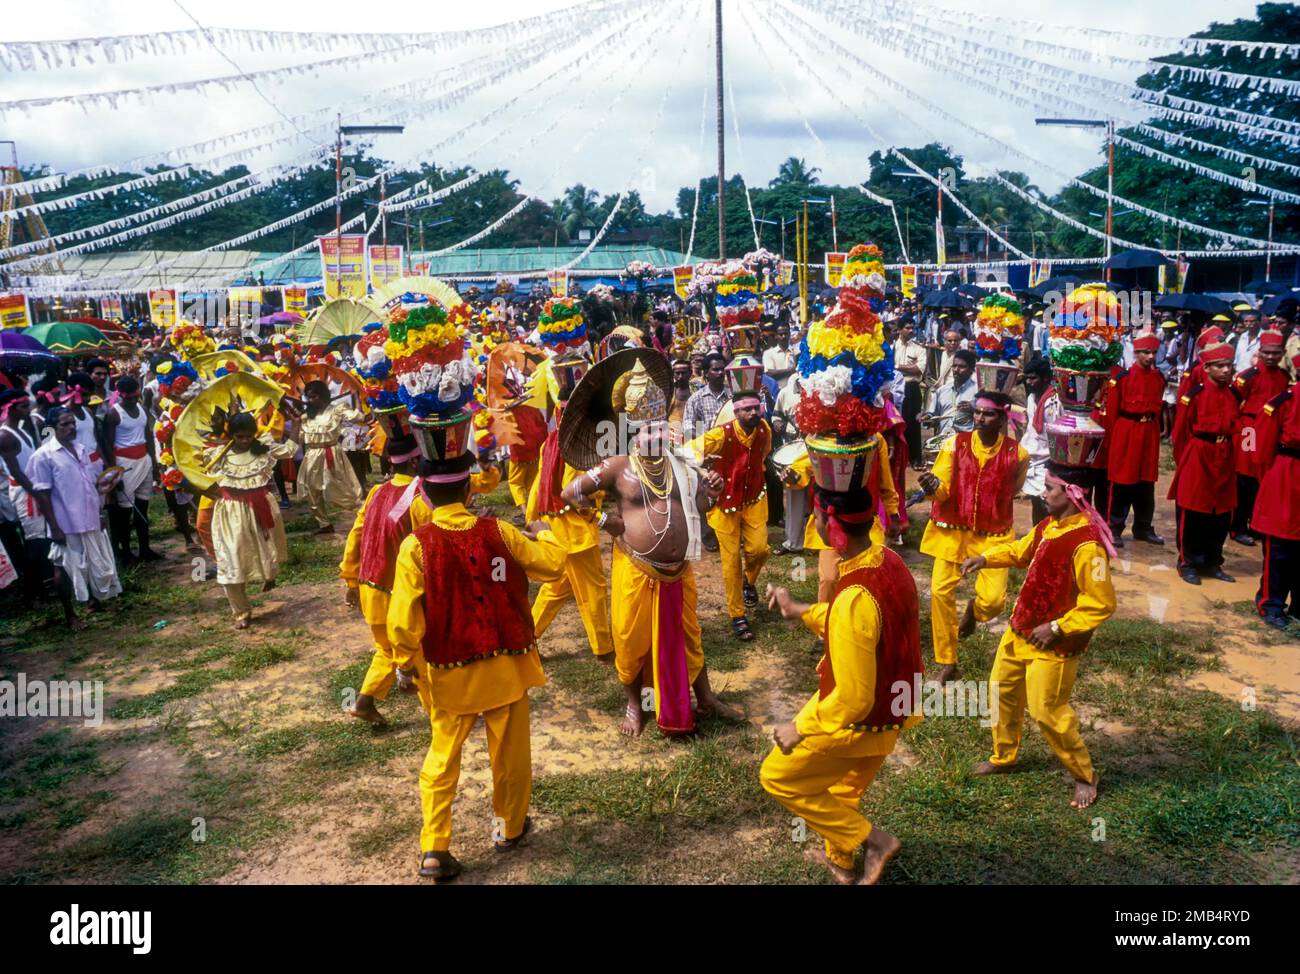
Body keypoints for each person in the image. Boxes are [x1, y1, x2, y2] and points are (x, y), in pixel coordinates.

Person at [386, 446, 567, 881]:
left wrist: (404, 665)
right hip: (506, 666)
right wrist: (544, 532)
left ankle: (435, 847)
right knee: (509, 754)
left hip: (451, 673)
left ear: (424, 497)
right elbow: (553, 566)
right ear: (469, 490)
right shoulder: (500, 531)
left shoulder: (416, 546)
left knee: (442, 757)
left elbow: (403, 622)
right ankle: (509, 829)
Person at [563, 354, 737, 737]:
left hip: (679, 572)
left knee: (690, 635)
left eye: (662, 428)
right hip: (637, 567)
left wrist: (711, 495)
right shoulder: (616, 466)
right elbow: (569, 491)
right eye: (648, 430)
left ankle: (704, 698)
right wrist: (602, 519)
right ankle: (635, 705)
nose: (658, 436)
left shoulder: (680, 462)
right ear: (632, 432)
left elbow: (696, 507)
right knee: (629, 638)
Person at [761, 481, 923, 885]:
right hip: (893, 716)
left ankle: (873, 841)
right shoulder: (888, 560)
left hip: (857, 723)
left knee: (778, 777)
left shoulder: (855, 597)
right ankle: (843, 864)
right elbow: (854, 620)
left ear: (833, 530)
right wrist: (799, 610)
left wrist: (800, 728)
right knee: (844, 790)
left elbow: (852, 697)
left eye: (817, 516)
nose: (814, 523)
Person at [963, 463, 1115, 810]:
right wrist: (985, 559)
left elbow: (1101, 603)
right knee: (1000, 692)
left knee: (1047, 712)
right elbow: (1020, 552)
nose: (1042, 494)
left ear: (1074, 493)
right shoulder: (1049, 525)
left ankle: (1084, 774)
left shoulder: (1088, 545)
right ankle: (1004, 756)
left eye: (1049, 488)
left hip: (1055, 645)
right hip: (1021, 630)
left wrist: (1058, 626)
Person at [918, 391, 1028, 684]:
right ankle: (947, 661)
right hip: (952, 533)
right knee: (940, 593)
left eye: (988, 414)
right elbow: (941, 489)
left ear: (1003, 418)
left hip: (994, 536)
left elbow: (1012, 490)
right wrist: (932, 486)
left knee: (993, 602)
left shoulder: (1018, 454)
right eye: (977, 412)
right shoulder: (954, 445)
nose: (980, 418)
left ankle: (973, 612)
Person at [339, 434, 429, 724]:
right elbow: (425, 547)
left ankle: (363, 702)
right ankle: (439, 712)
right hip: (397, 592)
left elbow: (356, 534)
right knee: (418, 650)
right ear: (417, 460)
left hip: (369, 586)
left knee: (386, 649)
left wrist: (351, 579)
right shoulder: (420, 496)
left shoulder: (376, 491)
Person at [527, 377, 614, 663]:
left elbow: (539, 483)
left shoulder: (551, 440)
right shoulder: (578, 446)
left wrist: (532, 518)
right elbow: (574, 492)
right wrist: (601, 510)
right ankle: (603, 647)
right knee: (593, 589)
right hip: (575, 528)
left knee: (557, 586)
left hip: (555, 526)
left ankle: (526, 637)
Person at [687, 385, 772, 641]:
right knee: (731, 560)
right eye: (747, 409)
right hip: (726, 505)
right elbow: (688, 453)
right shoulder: (719, 435)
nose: (753, 413)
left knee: (759, 549)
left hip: (755, 498)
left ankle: (749, 581)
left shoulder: (764, 430)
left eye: (756, 408)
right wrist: (705, 471)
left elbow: (763, 454)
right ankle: (738, 615)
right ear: (735, 412)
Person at [26, 406, 122, 629]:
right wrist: (54, 527)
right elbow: (42, 494)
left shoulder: (80, 449)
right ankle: (70, 616)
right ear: (52, 428)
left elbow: (90, 485)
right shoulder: (43, 456)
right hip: (65, 521)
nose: (70, 428)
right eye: (64, 424)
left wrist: (99, 512)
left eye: (72, 423)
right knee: (64, 567)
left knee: (89, 561)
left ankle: (94, 601)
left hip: (88, 515)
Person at [206, 412, 299, 629]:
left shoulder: (264, 448)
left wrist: (296, 424)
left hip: (261, 506)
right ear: (232, 435)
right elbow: (195, 473)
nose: (245, 441)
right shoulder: (219, 453)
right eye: (240, 437)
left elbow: (290, 450)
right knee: (231, 558)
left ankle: (268, 575)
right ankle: (241, 612)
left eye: (249, 436)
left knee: (266, 550)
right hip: (231, 512)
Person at [1169, 340, 1239, 585]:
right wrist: (1185, 461)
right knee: (1193, 511)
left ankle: (1212, 561)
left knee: (1220, 513)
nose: (1226, 370)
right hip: (1199, 454)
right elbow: (1179, 433)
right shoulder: (1193, 396)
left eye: (1229, 366)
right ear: (1206, 367)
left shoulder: (1234, 395)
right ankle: (1187, 562)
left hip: (1225, 455)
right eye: (1219, 366)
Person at [1096, 332, 1166, 546]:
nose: (1150, 357)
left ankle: (1144, 527)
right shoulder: (1122, 379)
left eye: (1153, 352)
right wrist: (1110, 444)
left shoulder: (1159, 378)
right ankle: (1114, 527)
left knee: (1146, 483)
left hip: (1149, 433)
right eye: (1146, 352)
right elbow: (1112, 414)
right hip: (1126, 432)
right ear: (1136, 353)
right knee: (1123, 482)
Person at [1251, 356, 1300, 632]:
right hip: (1286, 475)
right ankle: (1271, 603)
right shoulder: (1281, 403)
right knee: (1280, 548)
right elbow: (1259, 451)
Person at [1230, 331, 1288, 546]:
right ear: (1259, 353)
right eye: (1267, 353)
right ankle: (1237, 527)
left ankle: (1256, 524)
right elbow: (1233, 405)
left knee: (1264, 479)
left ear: (1282, 353)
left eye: (1275, 353)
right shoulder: (1247, 377)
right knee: (1245, 477)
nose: (1271, 357)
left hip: (1271, 433)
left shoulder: (1284, 377)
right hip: (1250, 430)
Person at [101, 376, 162, 563]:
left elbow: (149, 438)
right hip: (124, 463)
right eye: (129, 398)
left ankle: (145, 548)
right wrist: (114, 474)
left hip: (144, 459)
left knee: (142, 507)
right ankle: (126, 551)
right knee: (125, 510)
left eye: (135, 397)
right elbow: (108, 445)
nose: (133, 401)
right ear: (120, 396)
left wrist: (154, 464)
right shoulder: (113, 414)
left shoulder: (143, 410)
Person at [0, 389, 51, 606]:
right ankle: (33, 590)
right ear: (10, 409)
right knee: (34, 541)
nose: (27, 409)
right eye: (23, 406)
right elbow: (17, 472)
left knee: (40, 539)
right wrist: (36, 493)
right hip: (26, 491)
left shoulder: (21, 429)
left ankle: (41, 585)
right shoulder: (5, 436)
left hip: (33, 486)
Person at [297, 380, 367, 534]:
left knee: (342, 487)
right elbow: (301, 438)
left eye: (313, 396)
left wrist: (356, 398)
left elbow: (358, 417)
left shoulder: (338, 410)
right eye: (308, 397)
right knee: (313, 490)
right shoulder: (306, 416)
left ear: (323, 396)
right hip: (312, 456)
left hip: (332, 453)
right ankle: (324, 524)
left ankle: (364, 516)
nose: (310, 400)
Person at [1019, 357, 1058, 525]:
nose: (1029, 382)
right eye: (1027, 378)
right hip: (1032, 456)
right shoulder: (1031, 398)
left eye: (1033, 378)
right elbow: (1030, 429)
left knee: (1047, 504)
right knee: (1036, 503)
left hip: (1047, 459)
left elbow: (1055, 435)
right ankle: (1037, 538)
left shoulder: (1054, 401)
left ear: (1045, 378)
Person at [894, 317, 926, 467]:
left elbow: (918, 369)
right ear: (900, 329)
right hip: (895, 389)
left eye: (912, 328)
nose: (911, 331)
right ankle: (898, 459)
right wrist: (906, 367)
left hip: (911, 388)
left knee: (913, 424)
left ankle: (915, 458)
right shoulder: (892, 346)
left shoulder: (919, 348)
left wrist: (897, 366)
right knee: (896, 423)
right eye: (907, 328)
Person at [925, 348, 977, 437]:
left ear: (971, 370)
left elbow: (987, 419)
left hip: (967, 443)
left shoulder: (977, 392)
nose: (956, 370)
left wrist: (974, 410)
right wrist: (926, 418)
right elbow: (933, 415)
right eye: (954, 366)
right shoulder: (942, 390)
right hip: (943, 442)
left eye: (962, 367)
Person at [680, 351, 730, 440]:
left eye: (722, 369)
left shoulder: (733, 395)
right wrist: (706, 439)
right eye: (716, 369)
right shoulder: (696, 399)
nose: (720, 372)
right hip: (706, 447)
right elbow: (687, 427)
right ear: (706, 373)